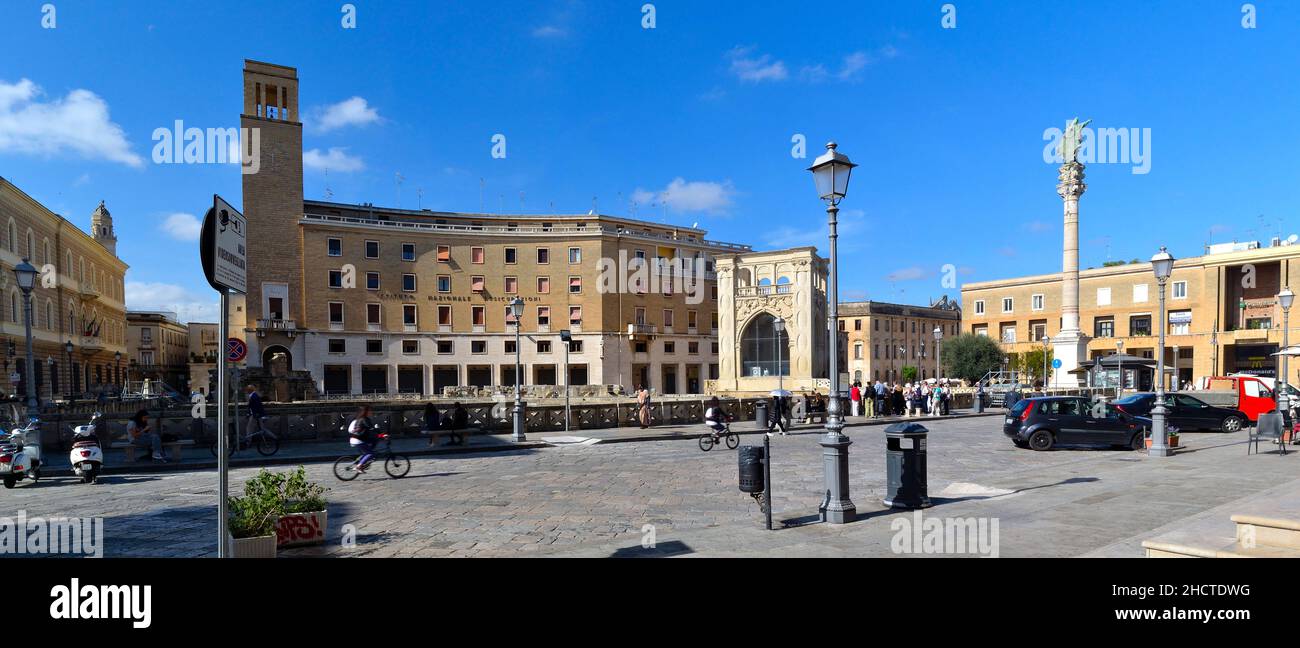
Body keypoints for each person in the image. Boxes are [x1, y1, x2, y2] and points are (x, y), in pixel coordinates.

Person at [347, 405, 377, 472]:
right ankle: (359, 466)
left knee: (368, 450)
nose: (371, 412)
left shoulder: (360, 418)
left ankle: (362, 462)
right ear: (366, 412)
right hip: (358, 440)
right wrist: (382, 434)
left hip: (355, 439)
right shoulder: (364, 419)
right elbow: (371, 428)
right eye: (370, 410)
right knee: (370, 453)